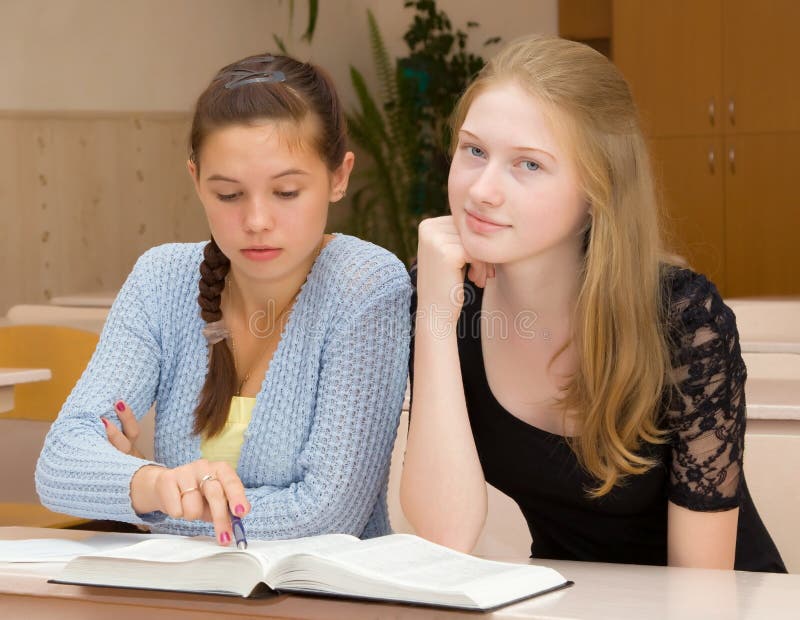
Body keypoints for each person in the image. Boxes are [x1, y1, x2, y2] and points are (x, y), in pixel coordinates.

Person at [400, 34, 785, 572]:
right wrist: (436, 317)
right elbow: (446, 536)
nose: (482, 190)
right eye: (474, 150)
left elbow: (704, 588)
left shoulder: (684, 319)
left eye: (528, 165)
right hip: (570, 598)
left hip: (717, 599)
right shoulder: (445, 295)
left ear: (595, 192)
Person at [36, 53, 411, 546]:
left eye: (286, 192)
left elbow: (324, 517)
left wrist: (152, 504)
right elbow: (60, 463)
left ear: (338, 177)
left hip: (318, 587)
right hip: (182, 584)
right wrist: (154, 484)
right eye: (229, 195)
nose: (256, 221)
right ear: (196, 180)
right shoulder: (161, 279)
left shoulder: (365, 285)